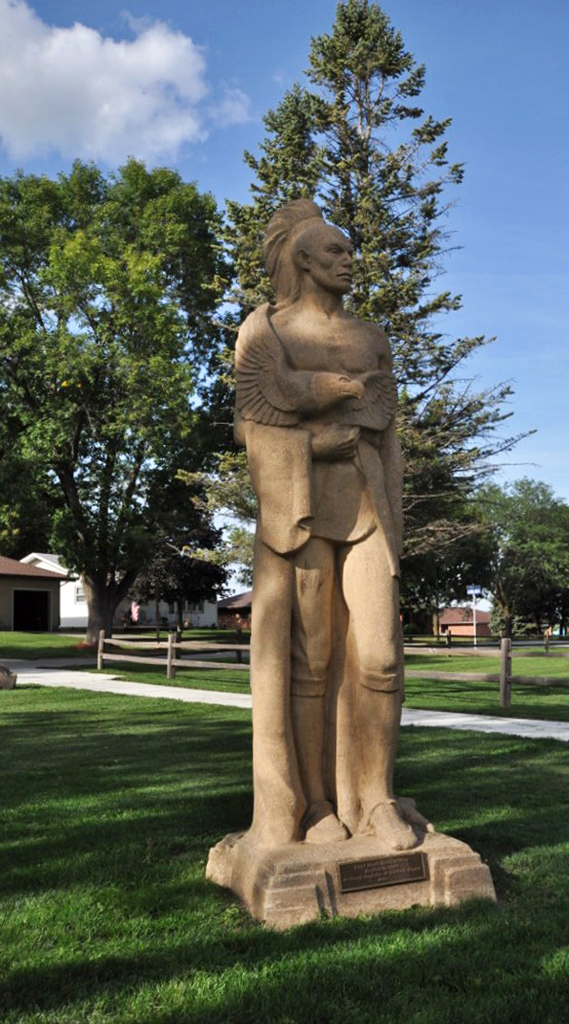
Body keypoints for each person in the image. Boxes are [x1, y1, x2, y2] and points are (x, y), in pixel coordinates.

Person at [235, 199, 430, 850]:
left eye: (350, 251)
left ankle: (375, 798)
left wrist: (394, 509)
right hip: (302, 512)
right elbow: (249, 427)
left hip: (367, 508)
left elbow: (387, 432)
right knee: (311, 661)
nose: (350, 261)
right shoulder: (266, 331)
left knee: (381, 655)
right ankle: (316, 803)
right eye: (336, 252)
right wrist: (314, 447)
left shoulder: (372, 337)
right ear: (303, 260)